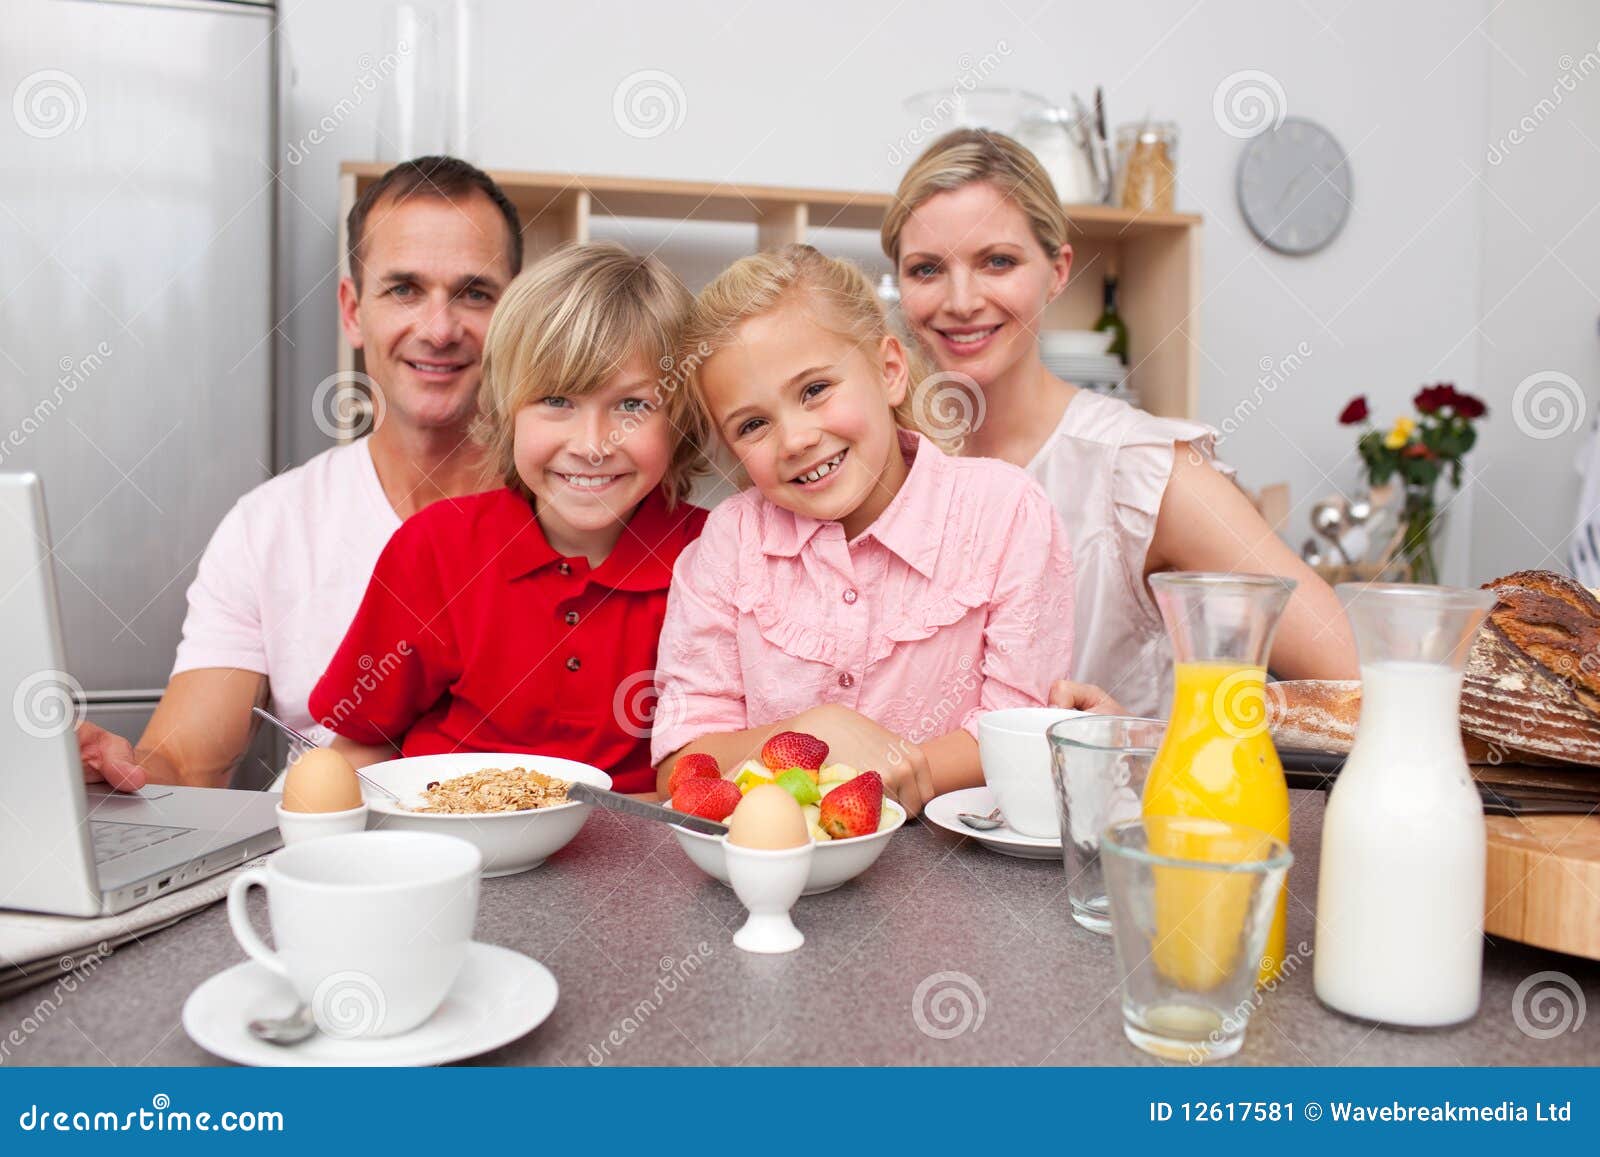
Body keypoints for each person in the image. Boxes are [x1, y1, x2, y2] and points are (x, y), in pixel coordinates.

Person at [75, 156, 521, 790]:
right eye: (404, 289)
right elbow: (186, 764)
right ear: (352, 310)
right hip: (319, 852)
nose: (440, 329)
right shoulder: (269, 526)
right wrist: (110, 773)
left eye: (475, 293)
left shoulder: (580, 516)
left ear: (518, 316)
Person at [882, 129, 1357, 717]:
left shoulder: (1141, 473)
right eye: (927, 269)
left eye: (997, 261)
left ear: (1058, 271)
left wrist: (1141, 740)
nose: (960, 301)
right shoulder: (881, 463)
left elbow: (1353, 683)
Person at [651, 245, 1074, 815]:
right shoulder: (731, 542)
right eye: (753, 424)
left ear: (890, 372)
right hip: (784, 862)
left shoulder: (1006, 514)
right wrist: (810, 731)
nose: (796, 439)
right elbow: (682, 769)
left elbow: (1020, 733)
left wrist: (867, 772)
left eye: (815, 390)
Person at [309, 243, 710, 794]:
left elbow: (719, 777)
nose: (592, 445)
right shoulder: (434, 548)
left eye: (633, 405)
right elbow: (361, 743)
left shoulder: (716, 558)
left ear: (681, 419)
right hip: (447, 835)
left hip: (639, 844)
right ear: (504, 408)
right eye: (556, 400)